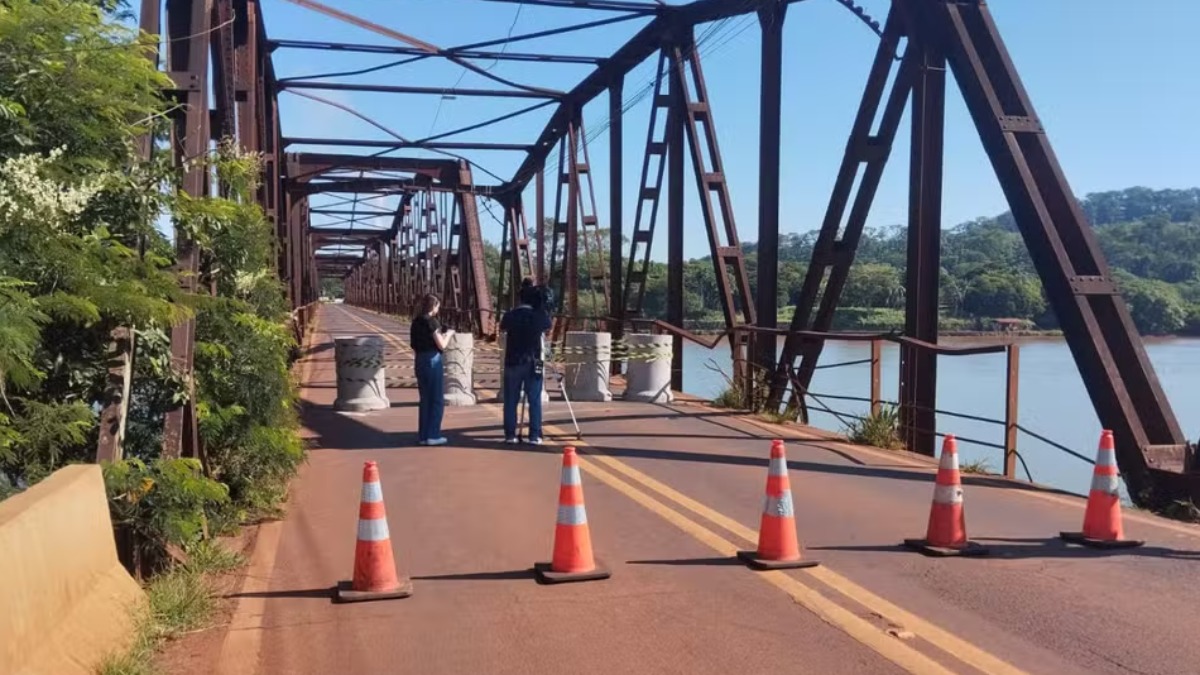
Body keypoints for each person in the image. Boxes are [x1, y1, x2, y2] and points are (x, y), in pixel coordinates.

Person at [500, 283, 553, 444]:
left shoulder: (510, 316)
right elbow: (548, 326)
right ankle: (535, 435)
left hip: (513, 361)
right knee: (534, 399)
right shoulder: (539, 316)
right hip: (534, 362)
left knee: (510, 400)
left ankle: (510, 435)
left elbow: (502, 329)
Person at [410, 293, 455, 446]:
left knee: (425, 400)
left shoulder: (415, 322)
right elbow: (441, 344)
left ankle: (423, 435)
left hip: (419, 360)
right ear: (433, 306)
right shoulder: (432, 322)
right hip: (432, 360)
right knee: (436, 399)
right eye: (437, 306)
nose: (438, 309)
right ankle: (433, 434)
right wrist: (448, 334)